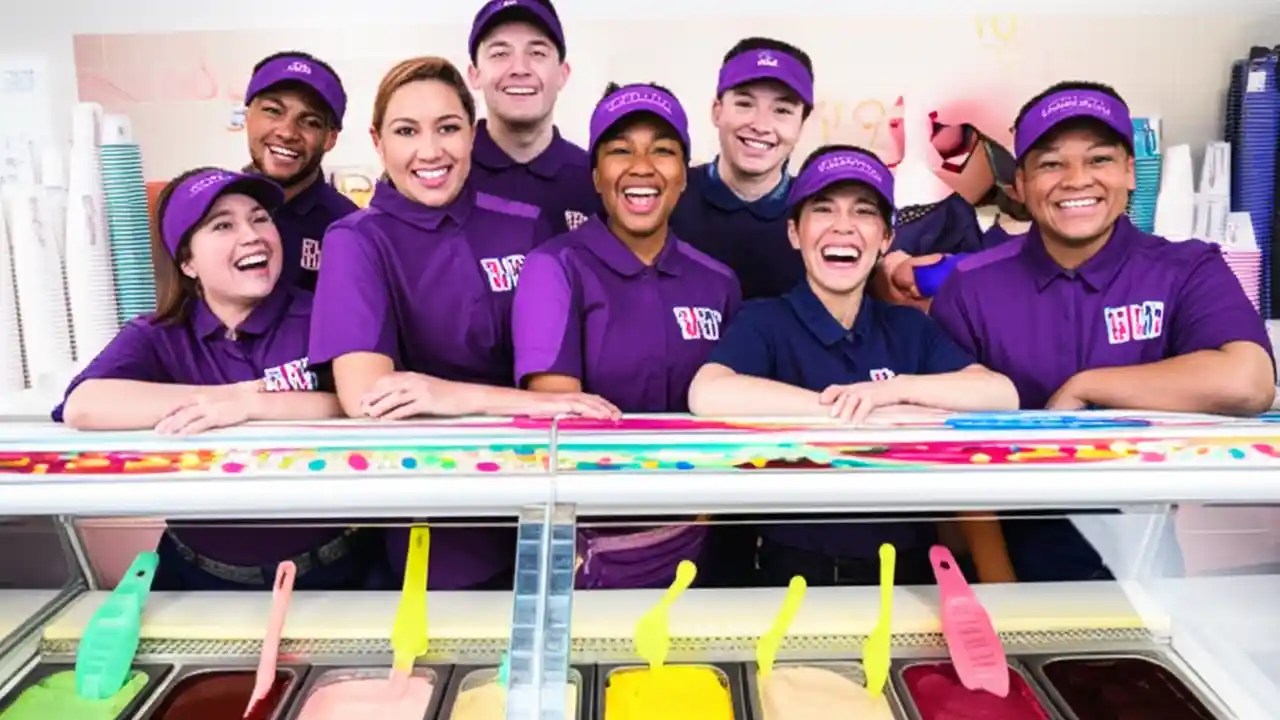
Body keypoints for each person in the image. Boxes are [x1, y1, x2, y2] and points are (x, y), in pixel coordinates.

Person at [931, 81, 1276, 582]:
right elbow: (946, 453)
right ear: (1020, 184)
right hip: (1004, 560)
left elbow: (1248, 383)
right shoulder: (971, 286)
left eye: (1099, 160)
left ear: (1130, 172)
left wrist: (1089, 384)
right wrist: (1001, 589)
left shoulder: (1187, 269)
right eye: (1050, 164)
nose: (1076, 180)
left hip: (1146, 564)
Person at [309, 57, 619, 590]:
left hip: (540, 499)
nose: (430, 151)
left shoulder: (522, 223)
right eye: (407, 131)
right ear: (378, 142)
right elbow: (367, 397)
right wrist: (482, 400)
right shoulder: (356, 241)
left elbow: (555, 366)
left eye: (448, 128)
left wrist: (445, 393)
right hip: (433, 520)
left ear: (472, 136)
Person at [688, 144, 1020, 586]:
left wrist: (892, 390)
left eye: (863, 212)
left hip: (910, 572)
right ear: (794, 232)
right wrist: (849, 411)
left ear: (886, 239)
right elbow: (708, 391)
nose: (843, 227)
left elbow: (1002, 395)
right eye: (823, 210)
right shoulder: (765, 321)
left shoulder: (908, 328)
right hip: (786, 572)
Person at [54, 167, 361, 590]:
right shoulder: (159, 335)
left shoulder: (322, 314)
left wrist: (254, 404)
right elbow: (84, 405)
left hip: (333, 574)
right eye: (222, 225)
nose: (251, 235)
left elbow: (357, 401)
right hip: (194, 578)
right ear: (187, 262)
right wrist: (225, 397)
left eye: (259, 218)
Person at [512, 82, 741, 589]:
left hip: (697, 540)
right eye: (620, 150)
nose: (642, 165)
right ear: (596, 176)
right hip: (589, 545)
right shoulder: (555, 267)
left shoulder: (717, 281)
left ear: (684, 174)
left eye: (662, 150)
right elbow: (557, 417)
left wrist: (701, 510)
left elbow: (729, 421)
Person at [670, 37, 814, 300]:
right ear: (717, 111)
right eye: (745, 104)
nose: (760, 125)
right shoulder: (669, 199)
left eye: (782, 110)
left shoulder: (819, 219)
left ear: (801, 125)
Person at [466, 0, 597, 234]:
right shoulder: (445, 172)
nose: (519, 69)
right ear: (474, 74)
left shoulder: (594, 180)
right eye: (500, 53)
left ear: (562, 74)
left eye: (537, 53)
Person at [243, 51, 359, 291]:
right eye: (273, 111)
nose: (287, 132)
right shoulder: (210, 210)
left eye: (310, 122)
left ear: (330, 138)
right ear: (247, 117)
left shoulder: (349, 229)